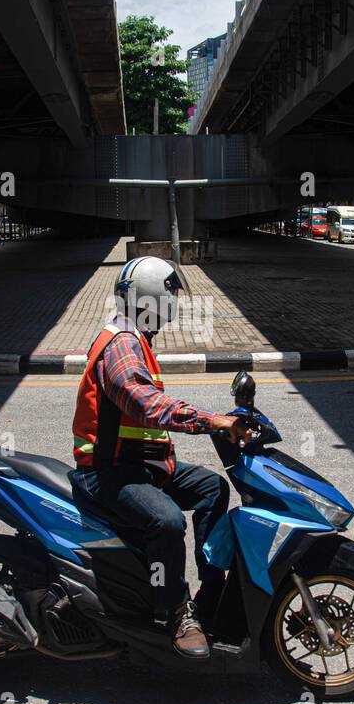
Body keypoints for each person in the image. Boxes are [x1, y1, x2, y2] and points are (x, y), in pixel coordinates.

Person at [69, 256, 253, 659]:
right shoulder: (121, 345)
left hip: (144, 468)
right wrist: (213, 422)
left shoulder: (137, 339)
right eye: (170, 297)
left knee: (211, 488)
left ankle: (211, 590)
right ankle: (173, 611)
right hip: (108, 472)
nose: (173, 307)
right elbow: (148, 405)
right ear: (153, 298)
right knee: (166, 521)